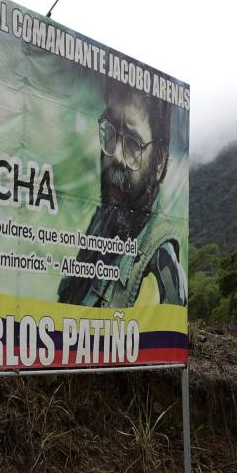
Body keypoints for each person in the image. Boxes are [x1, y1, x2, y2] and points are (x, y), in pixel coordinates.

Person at [57, 79, 186, 308]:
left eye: (134, 144)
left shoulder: (157, 268)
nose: (115, 154)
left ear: (159, 162)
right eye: (111, 131)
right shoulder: (104, 223)